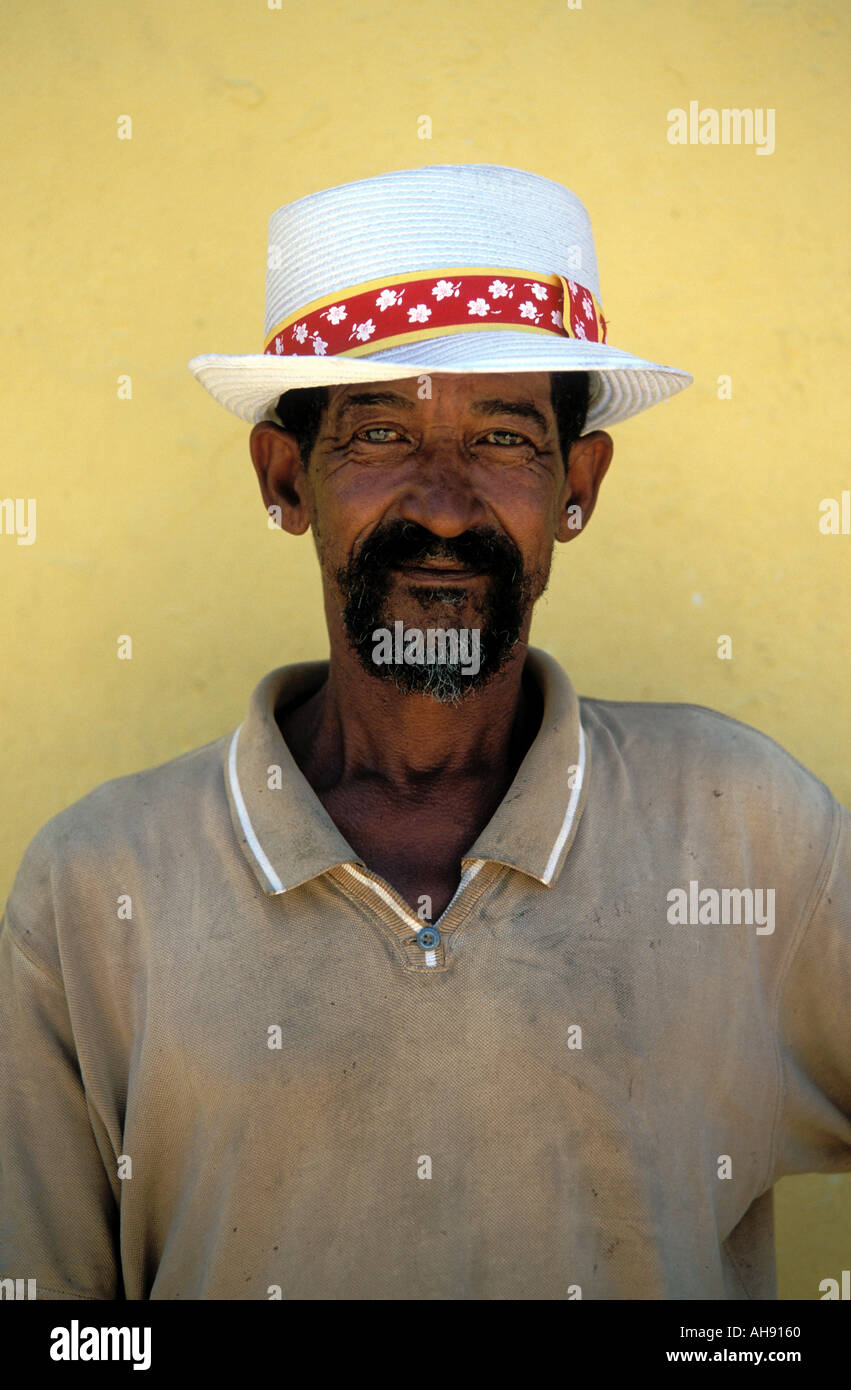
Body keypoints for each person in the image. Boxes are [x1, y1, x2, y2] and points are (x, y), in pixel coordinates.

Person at [1, 165, 847, 1301]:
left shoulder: (749, 830)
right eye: (380, 433)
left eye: (502, 438)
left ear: (576, 485)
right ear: (286, 475)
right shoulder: (94, 887)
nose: (443, 504)